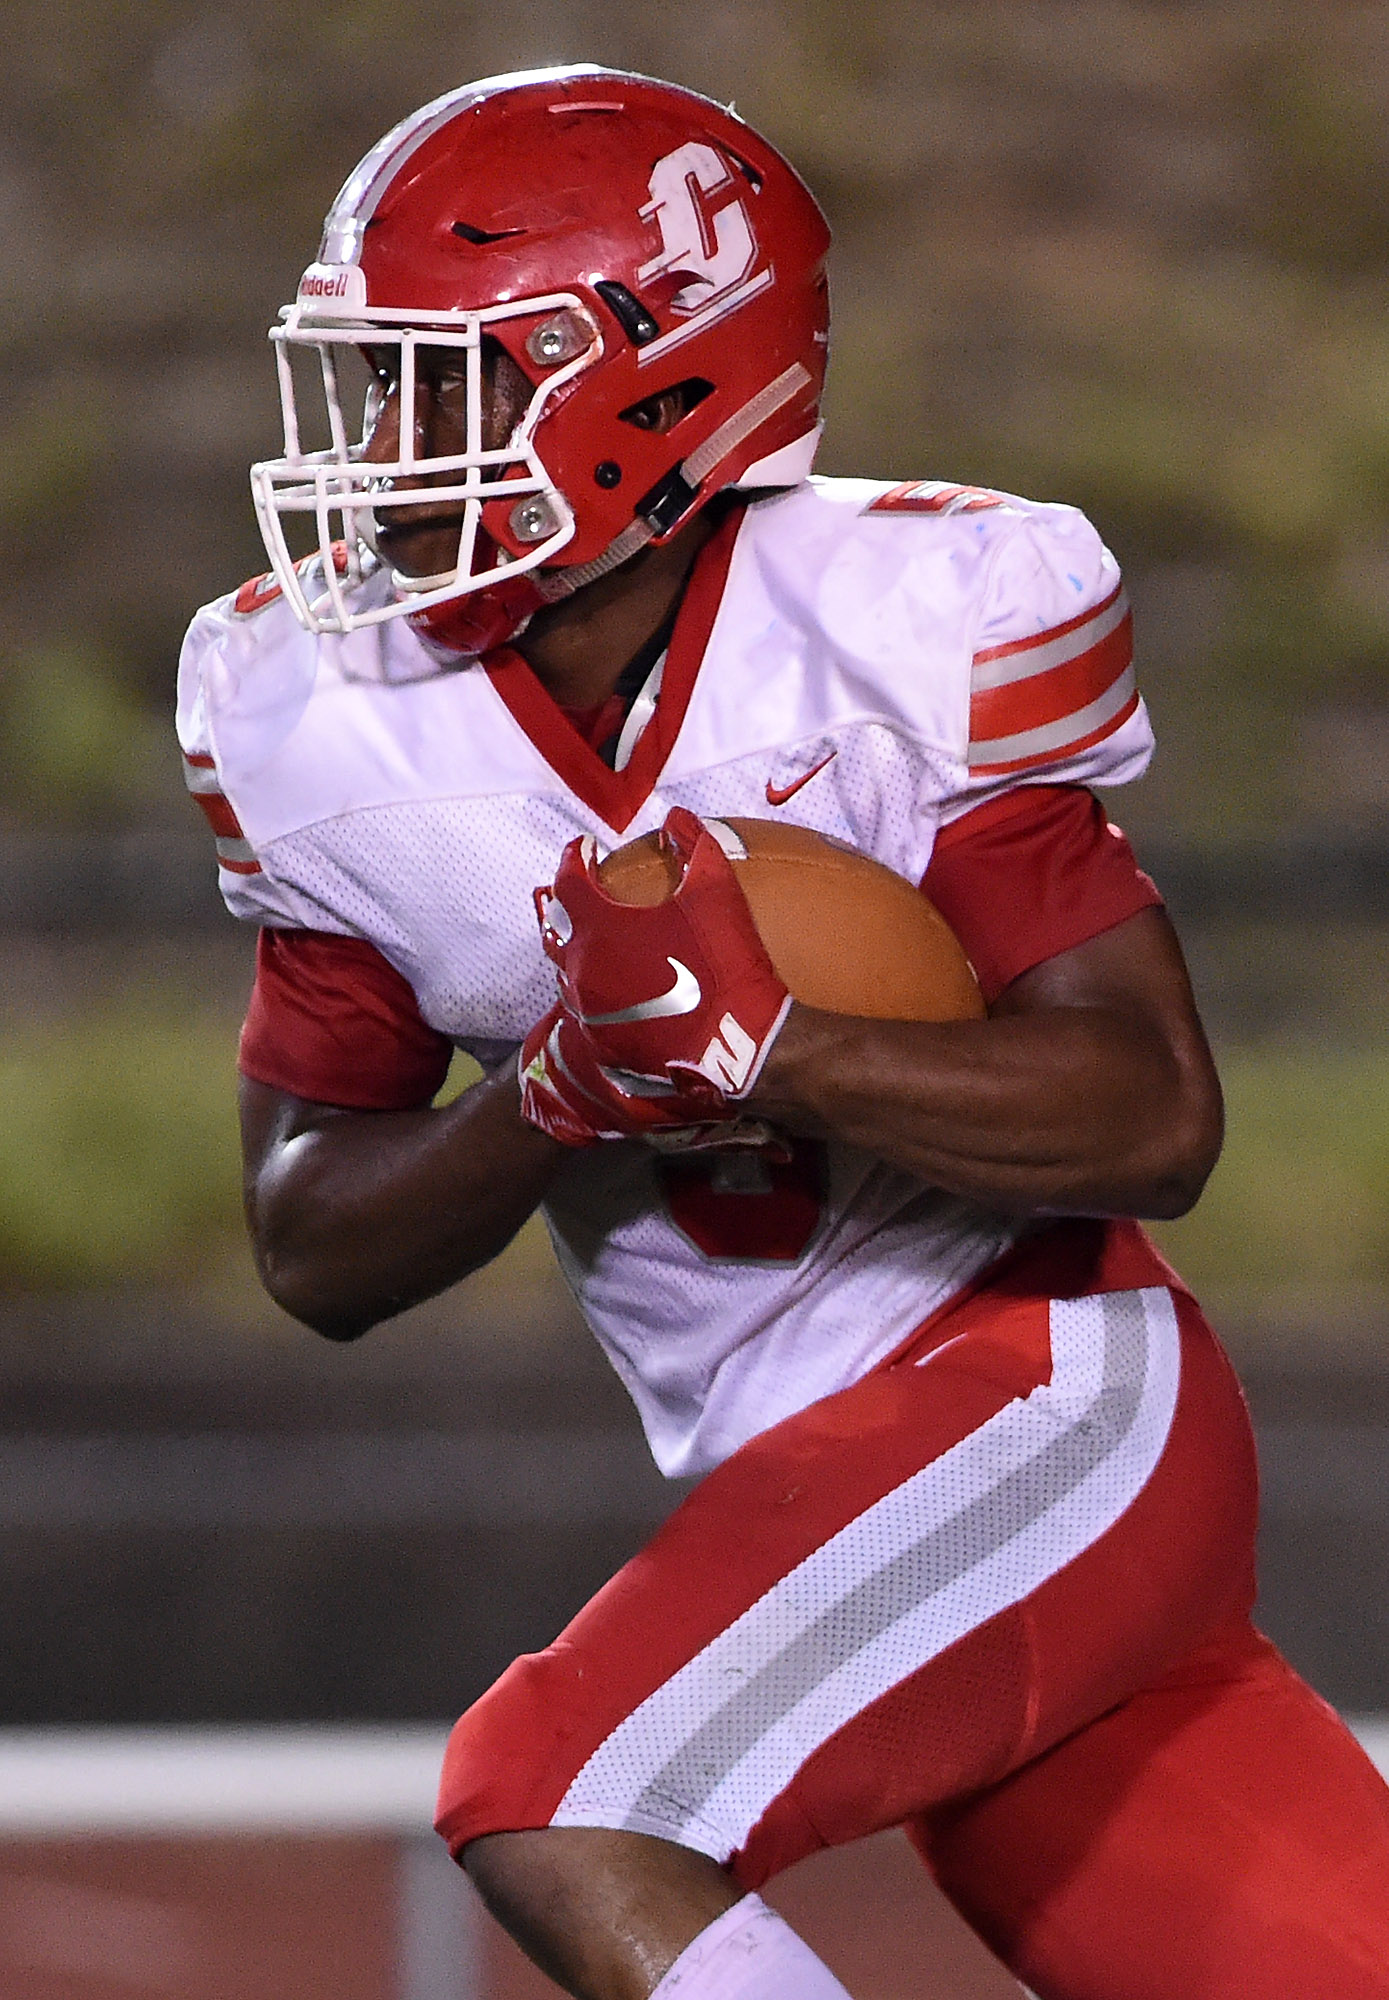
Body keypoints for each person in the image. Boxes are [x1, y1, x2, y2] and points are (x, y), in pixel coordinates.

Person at [178, 63, 1389, 2000]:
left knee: (563, 1799)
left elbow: (1152, 1117)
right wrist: (559, 1089)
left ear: (657, 390)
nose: (387, 446)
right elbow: (314, 1246)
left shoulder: (906, 618)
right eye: (372, 380)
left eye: (447, 382)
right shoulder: (305, 708)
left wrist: (779, 1046)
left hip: (1043, 1389)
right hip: (812, 1467)